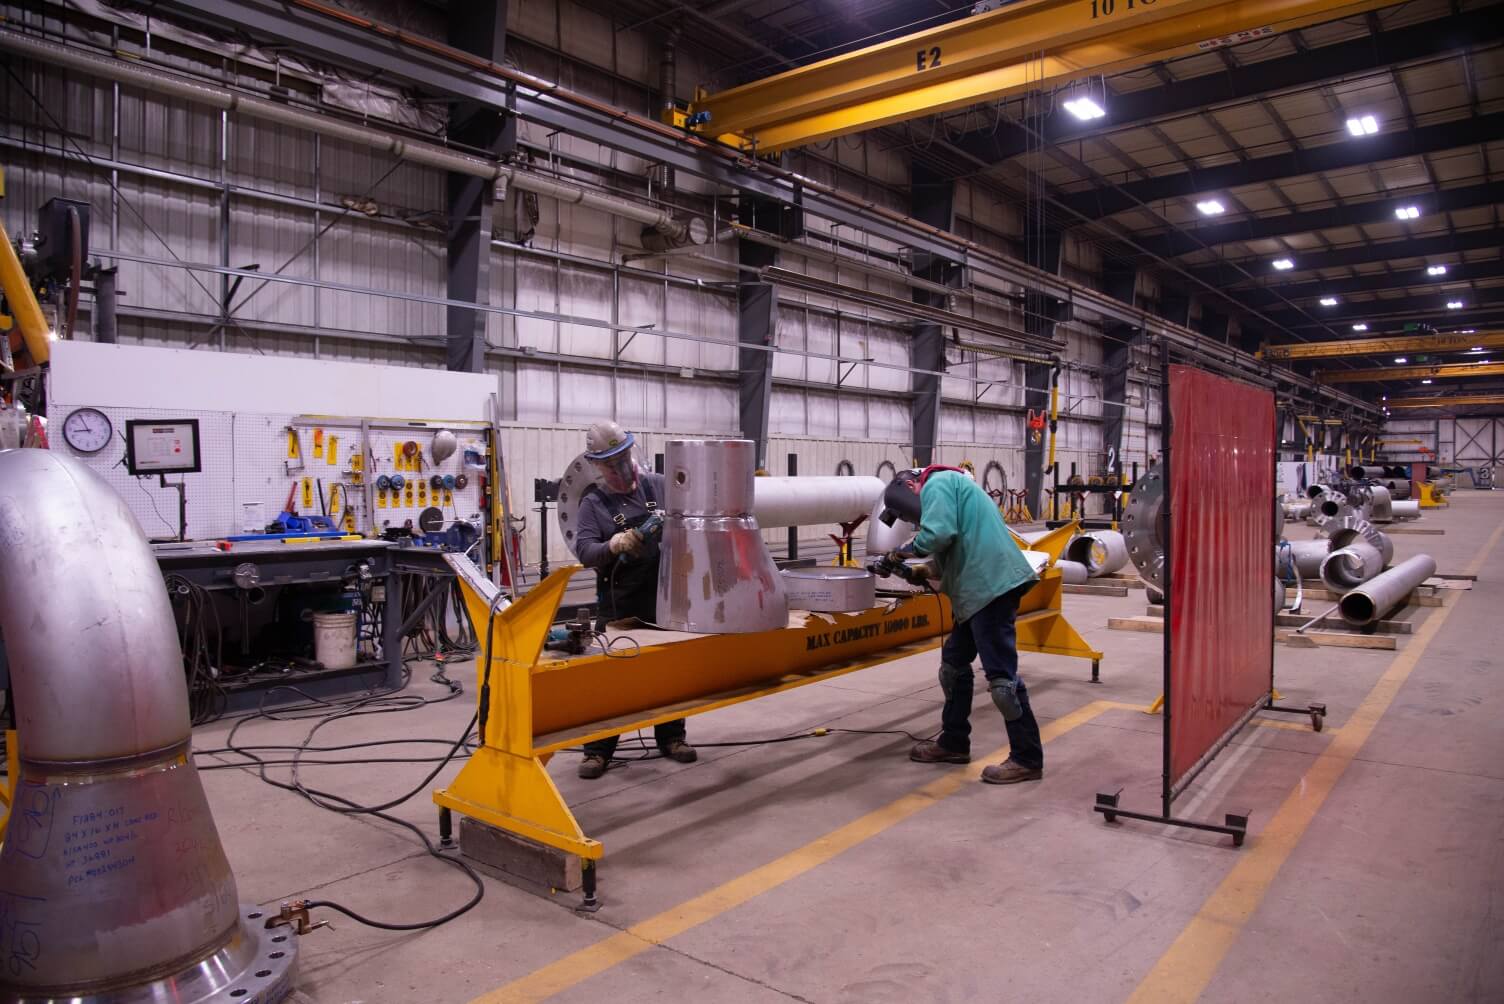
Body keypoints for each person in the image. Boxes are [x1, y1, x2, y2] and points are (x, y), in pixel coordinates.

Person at [879, 467, 1045, 784]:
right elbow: (942, 561)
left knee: (1001, 681)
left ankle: (1027, 758)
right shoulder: (954, 494)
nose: (916, 518)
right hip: (975, 593)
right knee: (953, 666)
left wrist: (900, 552)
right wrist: (910, 571)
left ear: (910, 486)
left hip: (990, 588)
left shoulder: (938, 483)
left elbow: (937, 535)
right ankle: (954, 743)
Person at [570, 420, 697, 780]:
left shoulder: (658, 485)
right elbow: (584, 551)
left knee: (668, 673)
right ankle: (598, 750)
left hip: (664, 597)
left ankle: (671, 738)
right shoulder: (594, 504)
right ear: (598, 466)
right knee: (610, 680)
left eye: (624, 457)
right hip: (619, 602)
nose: (622, 468)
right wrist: (614, 544)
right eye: (611, 463)